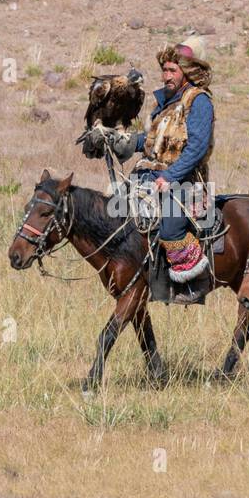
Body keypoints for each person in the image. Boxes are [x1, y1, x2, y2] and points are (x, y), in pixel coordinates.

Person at [92, 38, 215, 302]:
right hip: (150, 175)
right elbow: (151, 141)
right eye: (165, 69)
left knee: (170, 228)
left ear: (187, 71)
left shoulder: (199, 101)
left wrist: (170, 177)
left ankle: (188, 284)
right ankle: (136, 276)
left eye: (173, 70)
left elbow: (197, 148)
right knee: (117, 214)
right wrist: (118, 139)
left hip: (185, 180)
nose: (166, 75)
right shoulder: (166, 101)